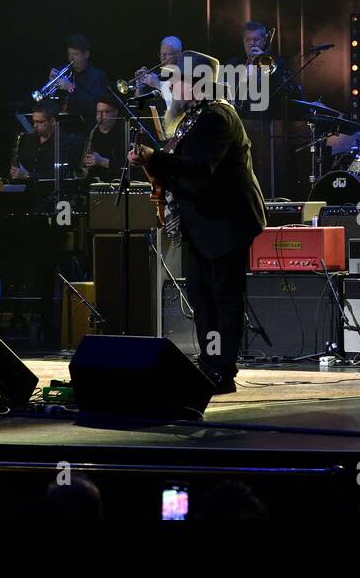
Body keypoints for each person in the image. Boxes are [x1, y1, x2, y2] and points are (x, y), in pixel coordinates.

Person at [129, 51, 267, 394]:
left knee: (222, 298)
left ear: (198, 83)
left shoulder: (217, 117)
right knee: (202, 298)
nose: (171, 86)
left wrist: (155, 158)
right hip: (203, 223)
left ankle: (221, 370)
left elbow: (200, 168)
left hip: (224, 224)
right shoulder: (195, 116)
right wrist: (154, 162)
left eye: (177, 80)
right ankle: (209, 362)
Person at [46, 34, 110, 126]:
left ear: (86, 54)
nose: (71, 58)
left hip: (85, 126)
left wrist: (71, 88)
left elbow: (94, 105)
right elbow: (50, 104)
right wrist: (51, 89)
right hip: (59, 126)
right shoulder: (62, 72)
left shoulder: (98, 76)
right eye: (69, 54)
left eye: (75, 54)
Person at [81, 97, 130, 184]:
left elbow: (127, 168)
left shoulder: (124, 134)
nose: (101, 116)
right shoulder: (92, 132)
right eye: (98, 112)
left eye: (106, 112)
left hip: (116, 183)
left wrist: (101, 161)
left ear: (116, 113)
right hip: (94, 182)